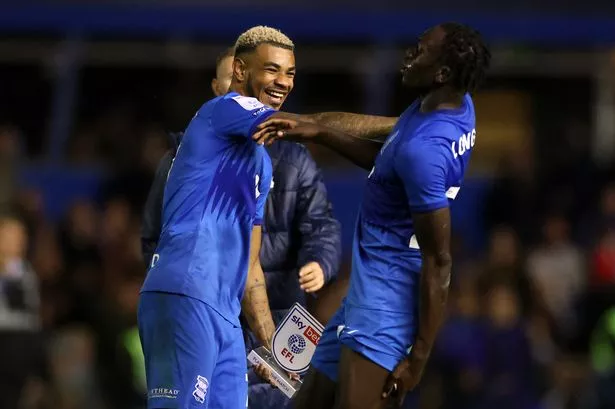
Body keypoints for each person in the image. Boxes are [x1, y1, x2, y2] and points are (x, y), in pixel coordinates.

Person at [254, 22, 491, 409]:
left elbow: (440, 260)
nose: (409, 55)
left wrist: (417, 359)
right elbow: (388, 161)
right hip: (366, 293)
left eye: (421, 51)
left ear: (442, 72)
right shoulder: (456, 105)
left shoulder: (424, 150)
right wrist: (318, 130)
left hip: (385, 307)